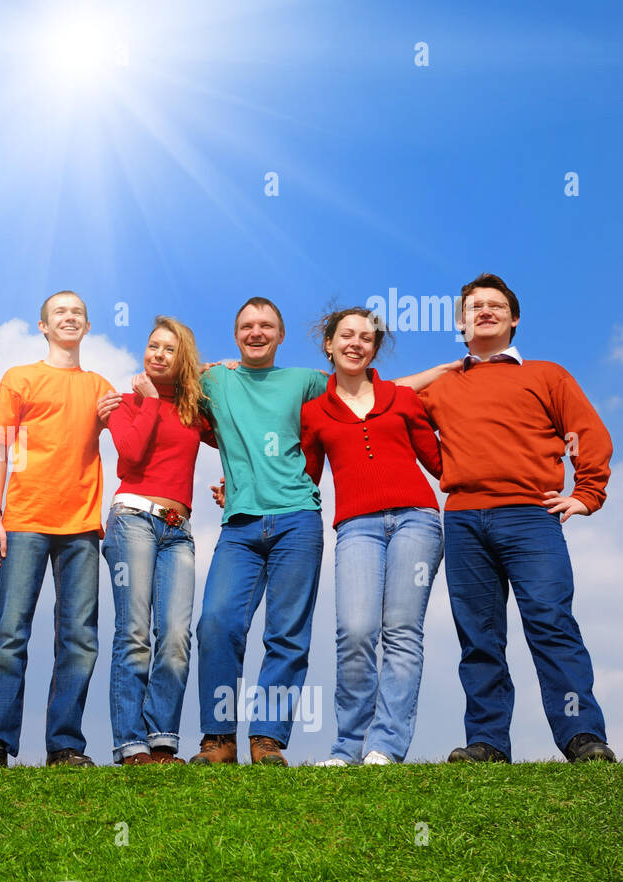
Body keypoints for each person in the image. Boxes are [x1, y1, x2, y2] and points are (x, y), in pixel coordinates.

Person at [111, 297, 456, 766]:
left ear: (281, 335)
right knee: (216, 625)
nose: (256, 332)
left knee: (287, 634)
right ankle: (219, 739)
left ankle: (267, 739)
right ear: (236, 336)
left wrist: (452, 368)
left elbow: (375, 389)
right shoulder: (215, 380)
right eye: (247, 326)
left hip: (298, 519)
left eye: (266, 326)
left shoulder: (307, 383)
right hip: (239, 524)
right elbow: (177, 378)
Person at [418, 273, 615, 763]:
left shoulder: (547, 375)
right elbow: (375, 399)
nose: (485, 311)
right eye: (475, 306)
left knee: (551, 622)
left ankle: (582, 737)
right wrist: (438, 375)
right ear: (461, 321)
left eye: (496, 306)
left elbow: (586, 433)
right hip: (463, 518)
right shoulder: (441, 385)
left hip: (531, 516)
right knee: (478, 635)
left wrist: (587, 492)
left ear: (514, 318)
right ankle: (487, 742)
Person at [0, 290, 116, 768]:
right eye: (60, 313)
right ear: (43, 327)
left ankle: (65, 745)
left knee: (79, 638)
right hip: (25, 520)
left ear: (87, 327)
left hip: (82, 528)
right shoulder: (20, 378)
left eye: (77, 313)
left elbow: (141, 439)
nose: (69, 318)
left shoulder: (100, 387)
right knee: (11, 633)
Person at [300, 308, 444, 766]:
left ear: (375, 349)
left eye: (366, 337)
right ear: (329, 343)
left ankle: (385, 747)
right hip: (356, 526)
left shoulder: (401, 398)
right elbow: (303, 476)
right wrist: (237, 487)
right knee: (355, 630)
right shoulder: (314, 412)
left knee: (402, 632)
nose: (355, 343)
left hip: (417, 520)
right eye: (346, 335)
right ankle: (347, 747)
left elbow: (440, 462)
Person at [102, 317, 214, 765]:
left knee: (175, 636)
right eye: (153, 346)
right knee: (133, 634)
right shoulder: (124, 403)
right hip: (133, 519)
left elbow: (235, 441)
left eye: (169, 349)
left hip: (178, 531)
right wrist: (148, 401)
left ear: (182, 357)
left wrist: (219, 372)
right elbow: (129, 454)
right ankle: (132, 745)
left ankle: (163, 741)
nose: (158, 355)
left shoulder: (192, 410)